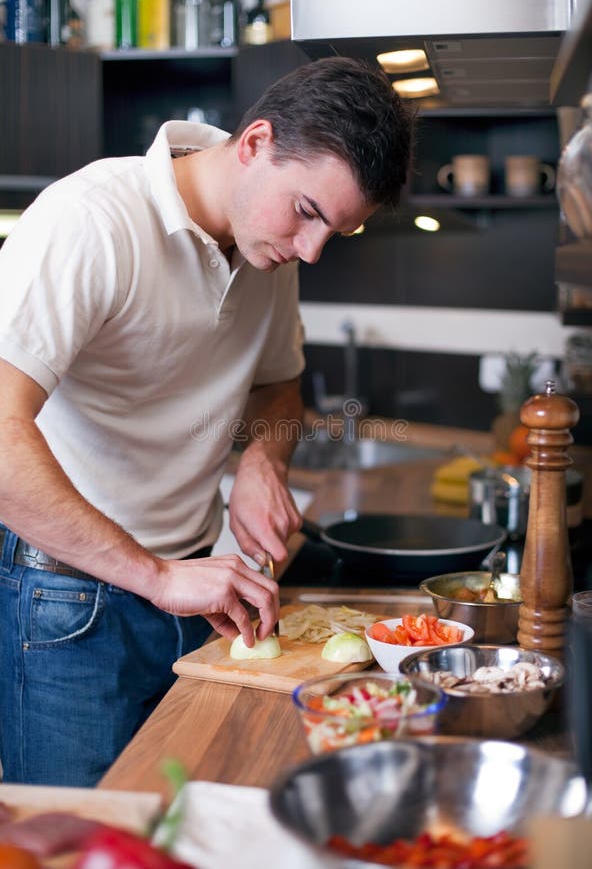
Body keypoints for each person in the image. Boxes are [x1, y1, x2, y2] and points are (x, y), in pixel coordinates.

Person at [0, 56, 415, 786]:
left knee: (176, 821)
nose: (311, 251)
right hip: (66, 603)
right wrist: (156, 576)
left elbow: (279, 384)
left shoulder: (269, 251)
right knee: (80, 833)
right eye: (308, 212)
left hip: (196, 588)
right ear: (255, 143)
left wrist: (263, 461)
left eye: (335, 233)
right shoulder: (91, 220)